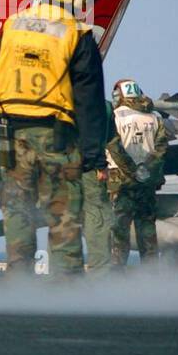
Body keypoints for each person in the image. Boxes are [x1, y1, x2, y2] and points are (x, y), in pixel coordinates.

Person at [0, 0, 106, 275]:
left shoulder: (13, 25)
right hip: (57, 138)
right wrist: (94, 158)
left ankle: (19, 284)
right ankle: (65, 287)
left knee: (17, 212)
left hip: (12, 136)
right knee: (63, 213)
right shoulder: (76, 33)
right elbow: (89, 102)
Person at [105, 79, 168, 267]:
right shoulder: (155, 117)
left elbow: (114, 147)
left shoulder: (115, 117)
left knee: (119, 230)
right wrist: (145, 169)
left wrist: (132, 171)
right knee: (147, 229)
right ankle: (150, 273)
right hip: (147, 181)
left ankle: (117, 272)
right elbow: (161, 149)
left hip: (119, 181)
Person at [81, 100, 117, 274]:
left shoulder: (55, 97)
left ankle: (61, 275)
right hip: (91, 168)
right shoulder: (105, 105)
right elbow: (107, 137)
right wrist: (101, 164)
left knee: (61, 219)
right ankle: (100, 275)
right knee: (98, 218)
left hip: (58, 168)